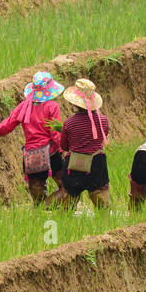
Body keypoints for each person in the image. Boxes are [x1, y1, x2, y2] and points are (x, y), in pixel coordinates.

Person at [0, 71, 65, 204]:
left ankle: (42, 210)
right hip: (50, 154)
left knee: (38, 198)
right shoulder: (52, 107)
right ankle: (50, 208)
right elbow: (55, 134)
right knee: (67, 188)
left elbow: (6, 126)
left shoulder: (23, 106)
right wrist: (63, 151)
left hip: (31, 157)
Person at [54, 77, 112, 210]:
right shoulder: (103, 120)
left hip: (75, 165)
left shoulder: (69, 123)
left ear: (75, 103)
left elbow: (64, 146)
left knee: (67, 207)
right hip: (97, 164)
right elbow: (104, 136)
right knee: (103, 207)